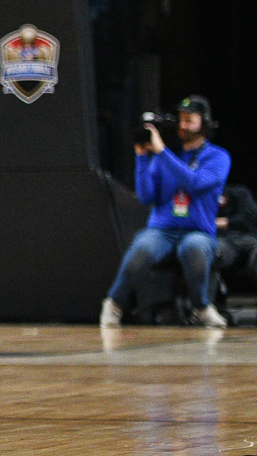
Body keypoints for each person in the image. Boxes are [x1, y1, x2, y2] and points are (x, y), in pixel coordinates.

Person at [101, 97, 230, 329]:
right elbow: (146, 196)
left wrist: (162, 152)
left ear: (205, 123)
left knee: (195, 248)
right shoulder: (166, 156)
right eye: (181, 119)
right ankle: (114, 304)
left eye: (189, 119)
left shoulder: (218, 157)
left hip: (198, 230)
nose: (183, 125)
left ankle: (201, 307)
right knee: (142, 248)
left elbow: (195, 183)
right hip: (163, 229)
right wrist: (142, 158)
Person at [216, 183, 257, 291]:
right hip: (220, 238)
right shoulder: (204, 192)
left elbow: (248, 218)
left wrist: (217, 222)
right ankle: (214, 296)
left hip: (248, 237)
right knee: (210, 252)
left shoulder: (240, 192)